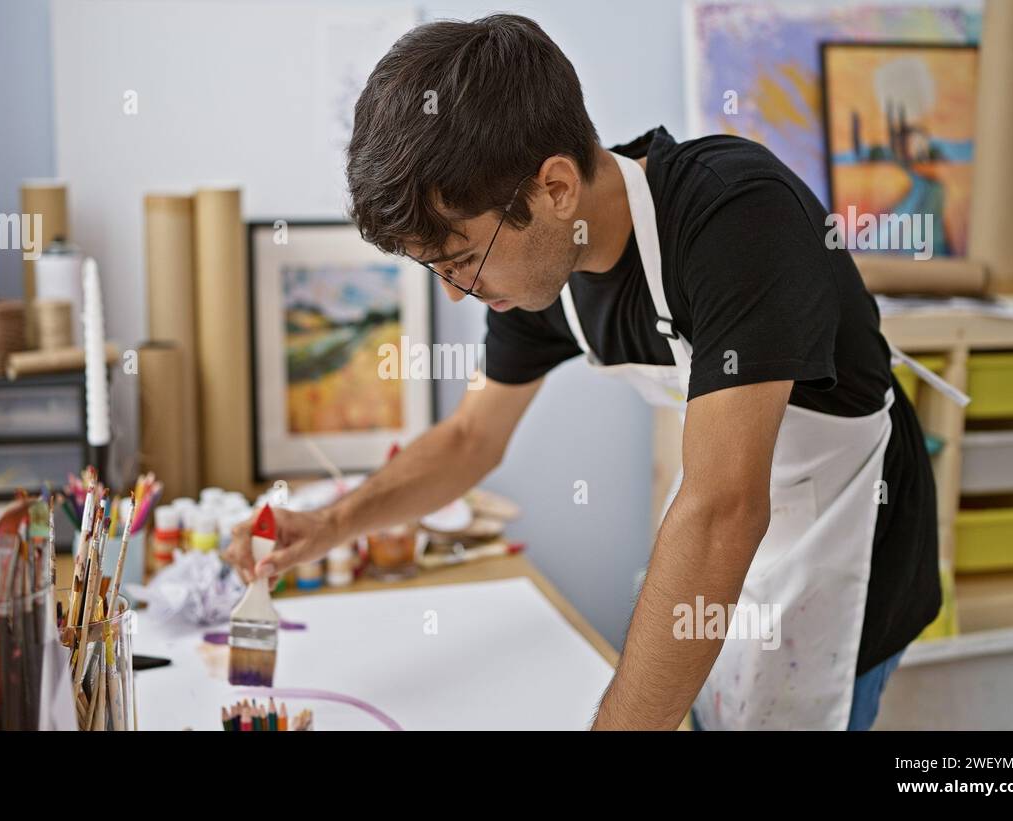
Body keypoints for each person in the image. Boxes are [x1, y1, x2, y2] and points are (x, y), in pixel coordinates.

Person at [228, 13, 940, 730]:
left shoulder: (735, 218)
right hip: (728, 548)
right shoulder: (537, 271)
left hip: (842, 555)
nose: (453, 292)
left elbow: (724, 509)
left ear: (557, 188)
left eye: (460, 262)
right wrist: (328, 525)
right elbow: (473, 438)